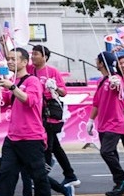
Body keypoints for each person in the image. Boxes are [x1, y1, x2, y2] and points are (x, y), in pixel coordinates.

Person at [0, 48, 70, 196]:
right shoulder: (13, 81)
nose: (9, 61)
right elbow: (0, 103)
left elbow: (30, 100)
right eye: (8, 58)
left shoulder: (32, 81)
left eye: (13, 59)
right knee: (6, 176)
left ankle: (66, 185)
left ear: (23, 62)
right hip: (13, 138)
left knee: (39, 177)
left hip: (31, 138)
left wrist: (12, 87)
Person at [93, 53, 124, 196]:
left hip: (115, 122)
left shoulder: (118, 79)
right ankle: (120, 185)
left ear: (102, 63)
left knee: (107, 151)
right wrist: (91, 121)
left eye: (97, 61)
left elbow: (119, 87)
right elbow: (96, 103)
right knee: (112, 152)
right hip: (102, 124)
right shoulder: (100, 81)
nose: (96, 62)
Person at [28, 46, 77, 188]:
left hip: (48, 112)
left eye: (36, 54)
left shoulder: (52, 71)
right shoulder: (30, 70)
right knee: (55, 146)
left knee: (47, 147)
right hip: (36, 112)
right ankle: (70, 174)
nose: (33, 56)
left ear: (45, 57)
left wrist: (54, 87)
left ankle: (42, 177)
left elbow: (64, 92)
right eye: (32, 54)